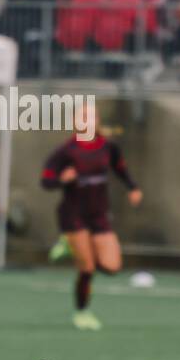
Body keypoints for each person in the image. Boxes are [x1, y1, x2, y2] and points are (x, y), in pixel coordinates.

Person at [41, 106, 142, 330]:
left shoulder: (108, 148)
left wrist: (132, 188)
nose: (87, 121)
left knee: (112, 266)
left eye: (92, 116)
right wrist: (62, 180)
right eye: (82, 116)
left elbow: (120, 168)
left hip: (98, 215)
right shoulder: (66, 152)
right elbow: (46, 181)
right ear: (75, 121)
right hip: (73, 215)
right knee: (86, 268)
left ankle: (74, 247)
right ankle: (82, 312)